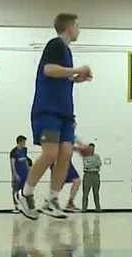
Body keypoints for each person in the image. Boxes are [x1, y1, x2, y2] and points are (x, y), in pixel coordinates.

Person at [15, 12, 92, 220]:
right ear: (69, 27)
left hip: (65, 114)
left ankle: (52, 199)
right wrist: (77, 69)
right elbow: (49, 70)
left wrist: (75, 78)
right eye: (77, 25)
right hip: (47, 111)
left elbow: (59, 76)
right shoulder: (55, 44)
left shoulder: (66, 51)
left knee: (65, 154)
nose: (79, 30)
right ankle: (25, 193)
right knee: (50, 154)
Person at [10, 135, 32, 210]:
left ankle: (24, 205)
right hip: (18, 173)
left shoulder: (25, 150)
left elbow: (25, 160)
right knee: (15, 189)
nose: (25, 143)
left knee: (23, 189)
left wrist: (28, 171)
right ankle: (15, 206)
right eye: (24, 142)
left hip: (24, 172)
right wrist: (15, 174)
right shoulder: (13, 152)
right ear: (20, 142)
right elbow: (12, 164)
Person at [80, 143, 102, 212]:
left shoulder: (97, 156)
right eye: (90, 148)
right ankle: (84, 208)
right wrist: (94, 164)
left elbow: (99, 164)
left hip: (95, 175)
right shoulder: (85, 156)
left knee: (96, 193)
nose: (91, 150)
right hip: (87, 175)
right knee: (85, 193)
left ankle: (98, 208)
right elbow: (86, 165)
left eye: (93, 148)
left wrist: (91, 164)